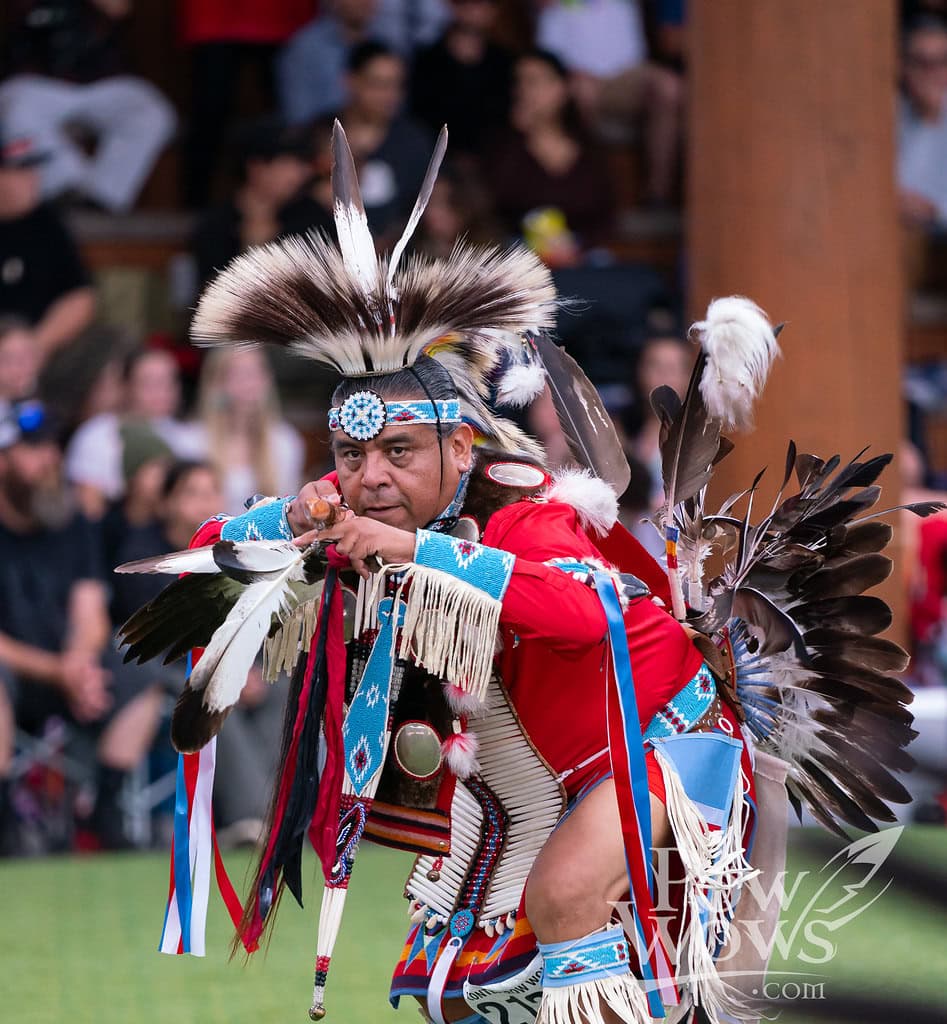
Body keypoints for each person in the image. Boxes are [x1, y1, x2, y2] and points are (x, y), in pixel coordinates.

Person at [120, 126, 919, 1023]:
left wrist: (409, 552)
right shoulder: (354, 512)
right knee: (453, 986)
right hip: (530, 775)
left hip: (663, 744)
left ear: (460, 446)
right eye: (350, 453)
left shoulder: (528, 512)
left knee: (568, 899)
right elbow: (212, 551)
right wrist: (290, 520)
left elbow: (585, 620)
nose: (369, 475)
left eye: (397, 450)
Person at [0, 399, 165, 852]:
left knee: (140, 669)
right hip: (14, 677)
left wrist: (77, 663)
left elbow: (90, 608)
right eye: (32, 448)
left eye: (52, 446)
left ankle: (105, 809)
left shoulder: (71, 521)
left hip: (70, 671)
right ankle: (4, 821)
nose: (49, 458)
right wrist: (62, 670)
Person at [0, 0, 177, 212]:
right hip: (38, 80)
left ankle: (102, 197)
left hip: (102, 80)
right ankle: (67, 186)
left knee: (151, 112)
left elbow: (119, 7)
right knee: (15, 107)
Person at [536, 0, 683, 206]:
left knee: (669, 87)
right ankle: (591, 188)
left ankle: (658, 193)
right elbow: (547, 59)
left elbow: (635, 57)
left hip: (625, 79)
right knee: (582, 91)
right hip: (578, 81)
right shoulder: (555, 8)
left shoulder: (623, 5)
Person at [487, 50, 616, 257]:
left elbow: (604, 213)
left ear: (561, 88)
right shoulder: (505, 145)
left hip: (581, 253)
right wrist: (518, 136)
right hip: (519, 252)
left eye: (533, 81)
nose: (524, 90)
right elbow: (496, 202)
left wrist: (576, 250)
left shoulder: (588, 146)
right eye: (519, 82)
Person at [191, 116, 333, 291]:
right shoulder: (217, 223)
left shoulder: (312, 215)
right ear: (256, 167)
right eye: (289, 163)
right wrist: (250, 250)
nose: (303, 172)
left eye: (303, 163)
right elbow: (210, 299)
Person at [64, 347, 204, 518]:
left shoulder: (191, 436)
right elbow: (90, 510)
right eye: (149, 382)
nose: (162, 391)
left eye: (169, 381)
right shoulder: (95, 435)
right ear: (126, 386)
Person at [316, 42, 432, 240]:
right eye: (379, 84)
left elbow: (421, 211)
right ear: (350, 81)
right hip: (324, 259)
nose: (390, 95)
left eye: (397, 85)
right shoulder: (319, 134)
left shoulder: (414, 143)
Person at [0, 128, 96, 365]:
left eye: (34, 168)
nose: (33, 178)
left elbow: (80, 296)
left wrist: (35, 346)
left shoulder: (48, 224)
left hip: (41, 351)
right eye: (20, 170)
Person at [193, 346, 305, 515]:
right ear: (216, 383)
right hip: (210, 539)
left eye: (256, 374)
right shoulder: (193, 442)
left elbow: (290, 509)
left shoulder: (285, 441)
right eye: (238, 375)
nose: (249, 385)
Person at [410, 0, 513, 159]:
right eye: (467, 2)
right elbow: (419, 121)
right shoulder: (426, 63)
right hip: (434, 162)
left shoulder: (505, 64)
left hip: (493, 162)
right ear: (452, 6)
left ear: (495, 11)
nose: (476, 10)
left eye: (487, 4)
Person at [898, 13, 947, 227]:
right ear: (903, 66)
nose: (932, 73)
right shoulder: (890, 117)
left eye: (941, 62)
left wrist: (935, 212)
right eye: (922, 62)